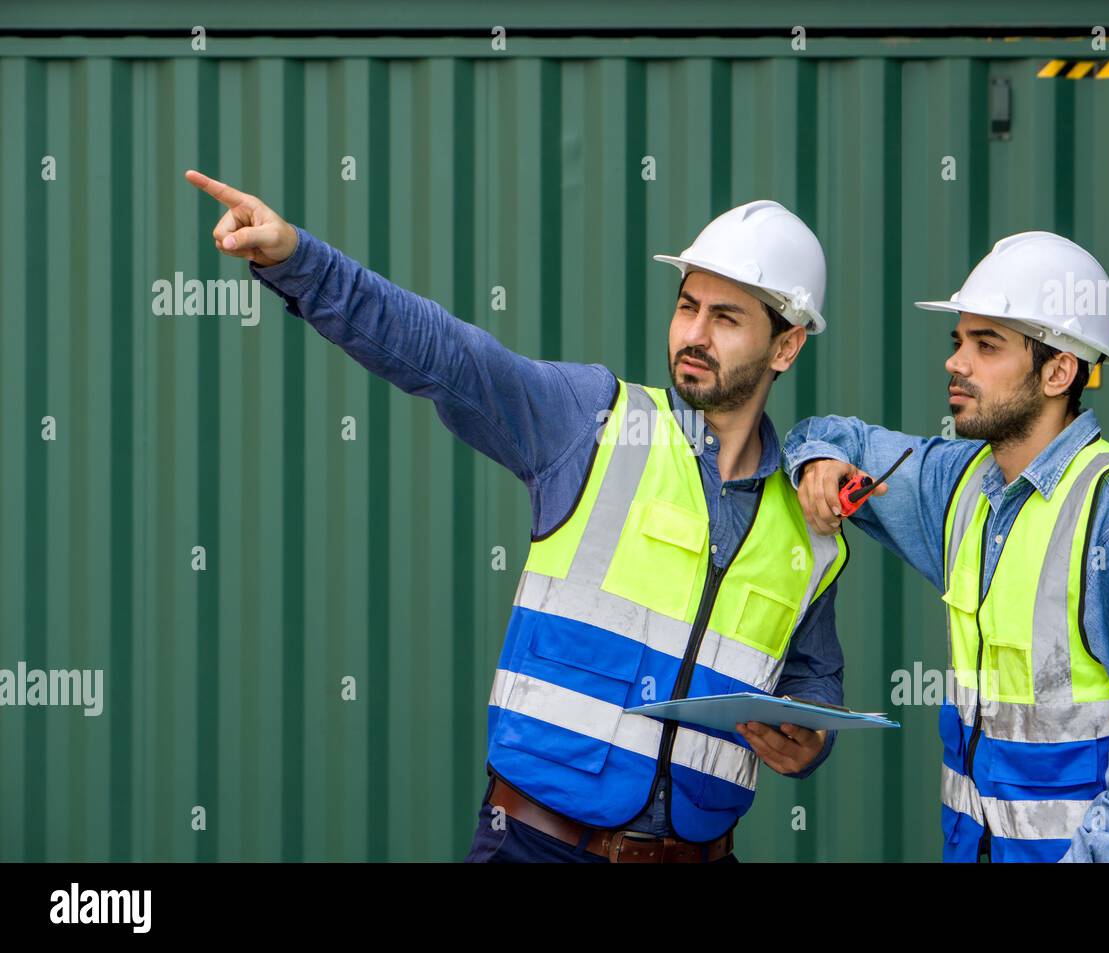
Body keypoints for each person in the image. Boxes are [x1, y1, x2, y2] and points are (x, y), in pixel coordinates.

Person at [186, 169, 868, 863]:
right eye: (687, 305)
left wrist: (810, 740)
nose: (693, 333)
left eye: (725, 319)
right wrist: (298, 259)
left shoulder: (809, 519)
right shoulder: (593, 422)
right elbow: (444, 353)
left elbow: (812, 677)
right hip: (536, 847)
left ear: (786, 345)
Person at [783, 231, 1109, 862]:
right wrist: (821, 461)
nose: (955, 362)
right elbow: (828, 434)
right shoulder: (959, 488)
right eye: (958, 341)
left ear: (1059, 370)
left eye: (986, 345)